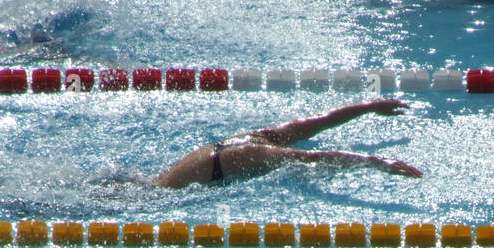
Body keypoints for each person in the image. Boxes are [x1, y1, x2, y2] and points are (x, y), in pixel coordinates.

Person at [154, 97, 422, 188]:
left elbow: (321, 121)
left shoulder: (266, 135)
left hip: (157, 183)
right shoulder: (255, 152)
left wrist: (370, 106)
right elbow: (316, 158)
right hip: (157, 197)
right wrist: (376, 162)